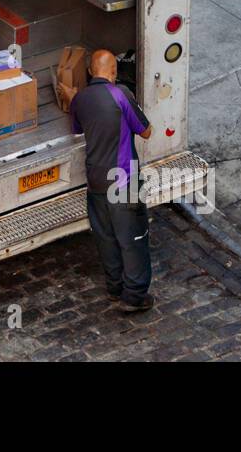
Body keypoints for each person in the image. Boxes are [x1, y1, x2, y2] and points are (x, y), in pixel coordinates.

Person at [69, 48, 154, 312]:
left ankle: (114, 288)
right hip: (123, 180)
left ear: (91, 71)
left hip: (95, 182)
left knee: (106, 237)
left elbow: (77, 129)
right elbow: (147, 131)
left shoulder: (79, 100)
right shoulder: (121, 95)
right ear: (113, 72)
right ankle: (134, 296)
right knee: (133, 238)